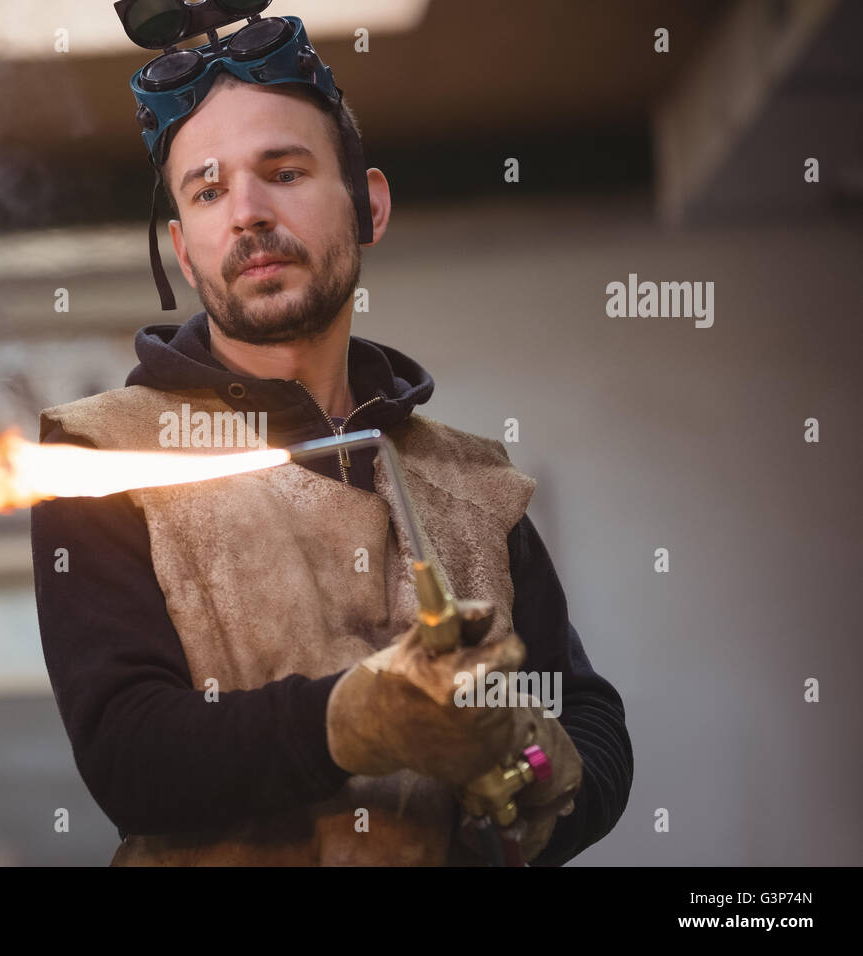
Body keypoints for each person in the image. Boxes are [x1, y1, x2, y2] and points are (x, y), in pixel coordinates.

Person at [31, 14, 631, 866]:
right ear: (183, 250)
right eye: (206, 191)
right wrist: (349, 721)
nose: (246, 212)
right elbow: (128, 755)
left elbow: (587, 717)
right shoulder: (105, 458)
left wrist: (536, 771)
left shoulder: (474, 479)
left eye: (284, 171)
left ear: (369, 206)